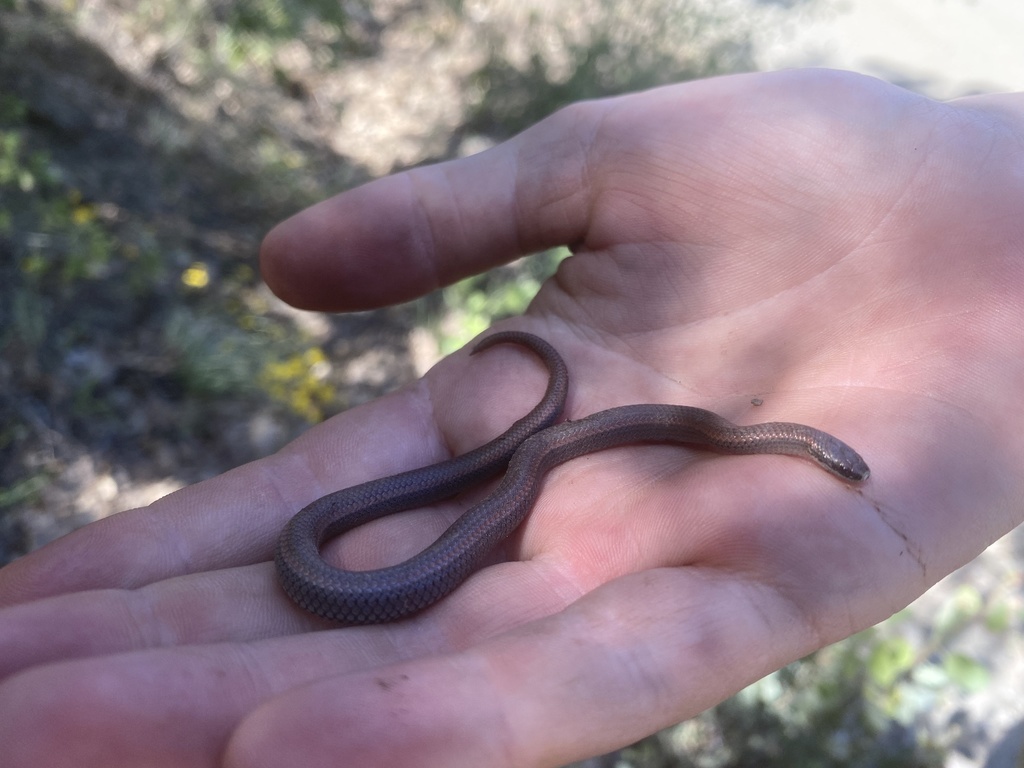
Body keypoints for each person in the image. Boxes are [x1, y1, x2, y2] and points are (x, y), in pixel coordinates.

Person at [1, 67, 1022, 768]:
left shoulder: (741, 431)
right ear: (817, 452)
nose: (839, 465)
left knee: (507, 475)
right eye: (836, 462)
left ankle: (512, 456)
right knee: (476, 487)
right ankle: (499, 462)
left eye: (833, 463)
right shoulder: (735, 426)